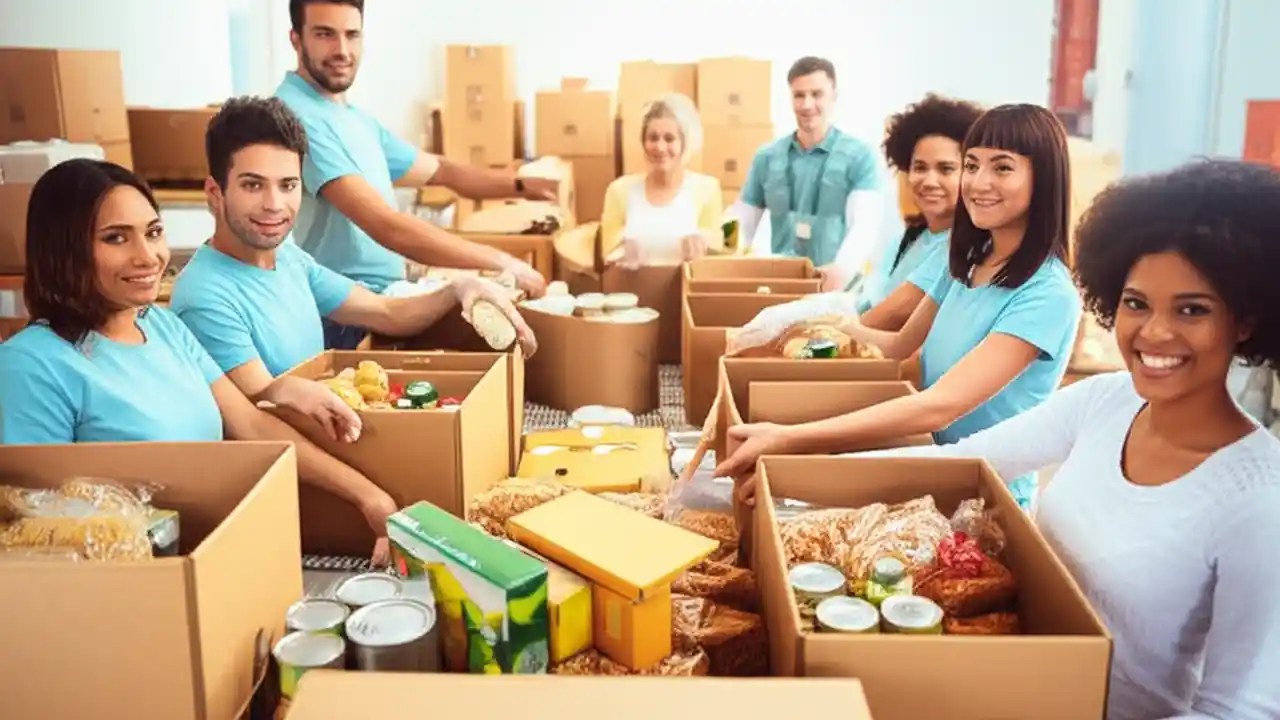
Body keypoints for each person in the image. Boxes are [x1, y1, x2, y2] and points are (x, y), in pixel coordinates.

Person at [837, 160, 1280, 719]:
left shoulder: (1260, 498)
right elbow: (959, 461)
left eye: (1192, 310)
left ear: (1244, 321)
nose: (1155, 332)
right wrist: (795, 465)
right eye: (1137, 303)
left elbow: (1238, 712)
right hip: (1011, 691)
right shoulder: (1107, 400)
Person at [0, 159, 397, 563]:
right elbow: (38, 530)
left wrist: (369, 498)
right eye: (116, 238)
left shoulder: (163, 327)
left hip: (217, 556)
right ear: (62, 249)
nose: (149, 256)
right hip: (140, 591)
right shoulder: (31, 366)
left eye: (153, 232)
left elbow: (250, 424)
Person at [717, 104, 1083, 510]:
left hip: (986, 497)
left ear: (1043, 179)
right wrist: (814, 319)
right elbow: (895, 347)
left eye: (1002, 168)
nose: (978, 183)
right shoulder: (968, 260)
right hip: (927, 469)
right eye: (972, 165)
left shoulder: (1047, 294)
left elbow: (939, 406)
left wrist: (790, 438)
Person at [170, 96, 536, 426]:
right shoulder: (205, 296)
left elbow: (388, 313)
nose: (274, 204)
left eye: (288, 185)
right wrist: (371, 498)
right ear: (215, 193)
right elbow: (260, 412)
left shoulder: (290, 259)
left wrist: (459, 287)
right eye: (253, 185)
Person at [276, 0, 558, 350]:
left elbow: (443, 170)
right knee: (509, 338)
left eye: (352, 35)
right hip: (351, 317)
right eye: (325, 35)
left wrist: (520, 184)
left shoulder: (353, 119)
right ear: (296, 39)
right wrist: (503, 261)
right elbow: (385, 225)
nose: (342, 50)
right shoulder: (298, 118)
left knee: (513, 323)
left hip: (390, 297)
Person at [728, 56, 887, 292]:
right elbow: (742, 221)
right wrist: (717, 248)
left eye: (817, 94)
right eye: (799, 95)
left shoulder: (859, 155)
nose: (806, 104)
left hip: (840, 291)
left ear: (834, 96)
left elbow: (864, 227)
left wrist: (840, 272)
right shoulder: (767, 157)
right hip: (782, 288)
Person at [856, 94, 985, 327]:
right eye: (920, 167)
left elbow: (891, 316)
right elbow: (870, 301)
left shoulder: (971, 249)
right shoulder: (907, 239)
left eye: (945, 169)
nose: (929, 181)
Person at [600, 93, 724, 266]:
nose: (660, 147)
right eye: (652, 138)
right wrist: (622, 250)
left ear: (684, 144)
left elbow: (721, 248)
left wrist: (703, 244)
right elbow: (606, 250)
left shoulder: (706, 189)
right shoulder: (619, 190)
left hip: (684, 290)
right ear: (643, 142)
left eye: (669, 138)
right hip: (631, 290)